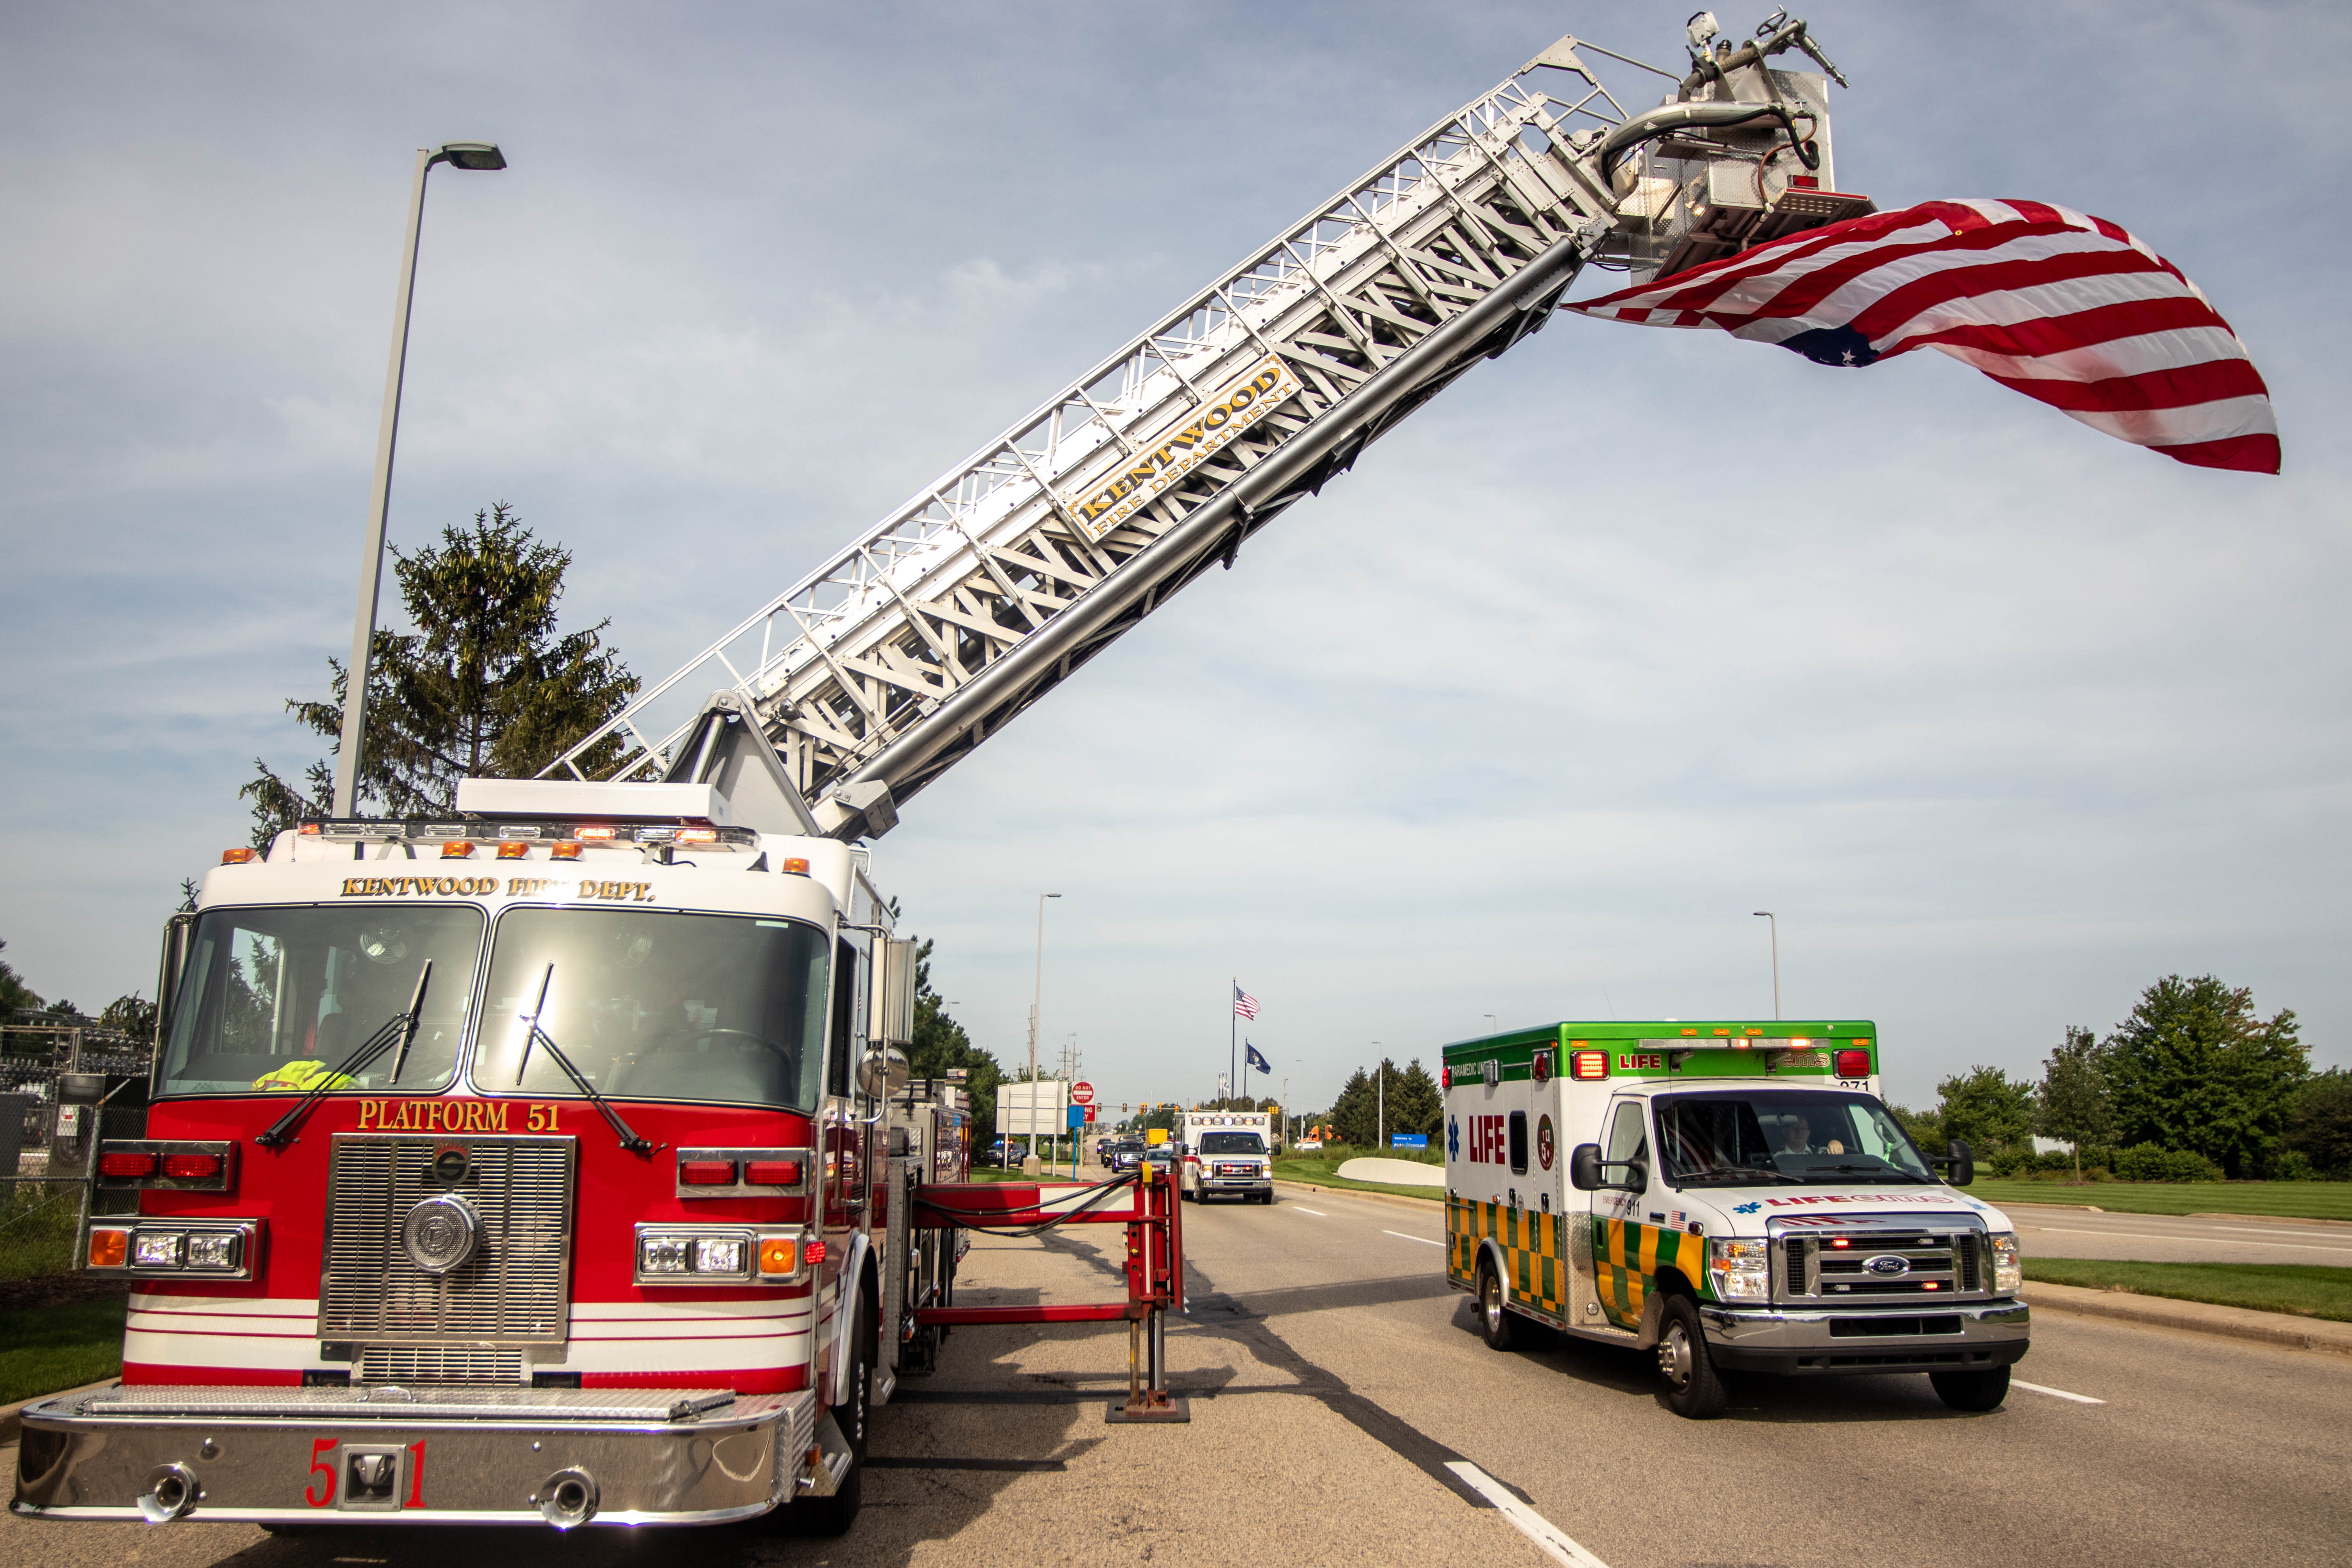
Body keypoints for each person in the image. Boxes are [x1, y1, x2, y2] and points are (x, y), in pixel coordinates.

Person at [1778, 1112, 1845, 1156]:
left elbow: (1839, 1162)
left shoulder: (1820, 1152)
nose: (1799, 1132)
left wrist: (1834, 1143)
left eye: (1803, 1128)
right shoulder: (1775, 1156)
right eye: (1794, 1128)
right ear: (1784, 1131)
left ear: (1808, 1132)